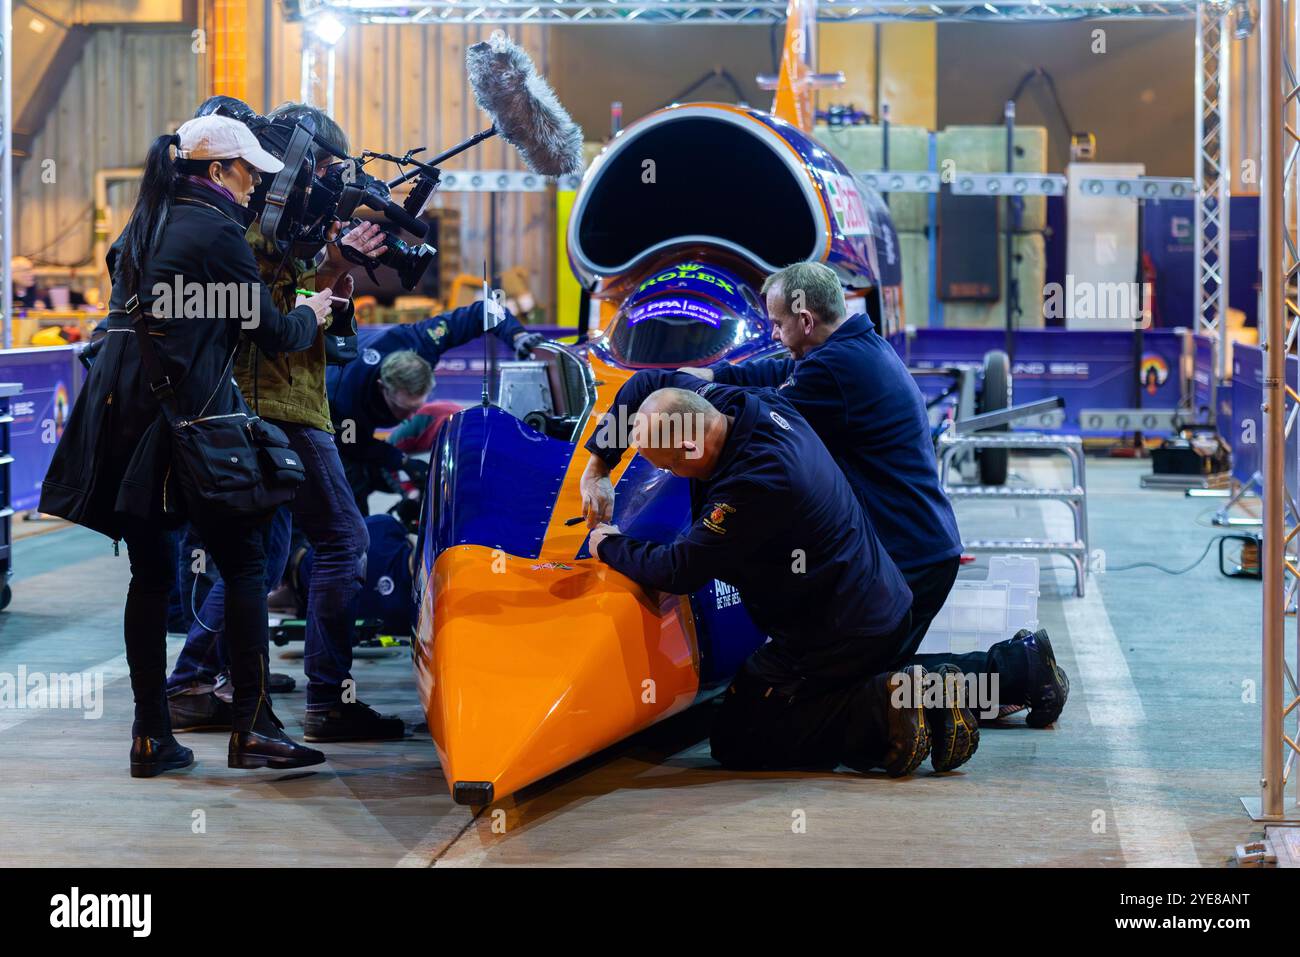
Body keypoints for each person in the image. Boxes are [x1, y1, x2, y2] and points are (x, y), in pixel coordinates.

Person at [39, 115, 337, 776]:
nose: (258, 184)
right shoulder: (218, 232)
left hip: (128, 427)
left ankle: (151, 735)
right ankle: (253, 726)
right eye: (251, 171)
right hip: (192, 429)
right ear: (219, 171)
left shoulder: (144, 225)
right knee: (248, 564)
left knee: (149, 576)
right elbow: (272, 333)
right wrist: (313, 312)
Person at [675, 262, 1069, 728]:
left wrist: (686, 403)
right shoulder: (853, 348)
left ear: (804, 320)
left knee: (851, 685)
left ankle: (1016, 671)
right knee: (864, 676)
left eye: (779, 323)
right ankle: (1017, 670)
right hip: (916, 548)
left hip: (906, 559)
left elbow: (759, 417)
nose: (776, 334)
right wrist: (711, 376)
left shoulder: (837, 370)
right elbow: (775, 372)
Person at [580, 372, 980, 775]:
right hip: (870, 599)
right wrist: (598, 468)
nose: (668, 474)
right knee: (765, 698)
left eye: (667, 466)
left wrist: (608, 543)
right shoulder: (733, 404)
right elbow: (645, 383)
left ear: (689, 446)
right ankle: (942, 688)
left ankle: (886, 709)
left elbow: (679, 569)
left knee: (741, 740)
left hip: (840, 631)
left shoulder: (758, 481)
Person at [165, 101, 403, 743]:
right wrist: (329, 269)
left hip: (287, 398)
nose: (329, 178)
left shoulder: (286, 225)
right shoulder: (246, 226)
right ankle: (328, 700)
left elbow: (304, 306)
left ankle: (193, 682)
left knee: (261, 562)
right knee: (343, 543)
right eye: (324, 164)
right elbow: (267, 321)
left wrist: (337, 282)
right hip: (276, 402)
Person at [325, 302, 542, 514]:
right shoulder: (343, 395)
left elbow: (484, 310)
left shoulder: (424, 340)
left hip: (370, 378)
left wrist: (517, 336)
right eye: (404, 409)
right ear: (383, 388)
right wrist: (401, 461)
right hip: (332, 401)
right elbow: (352, 445)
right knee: (351, 482)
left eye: (416, 408)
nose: (410, 418)